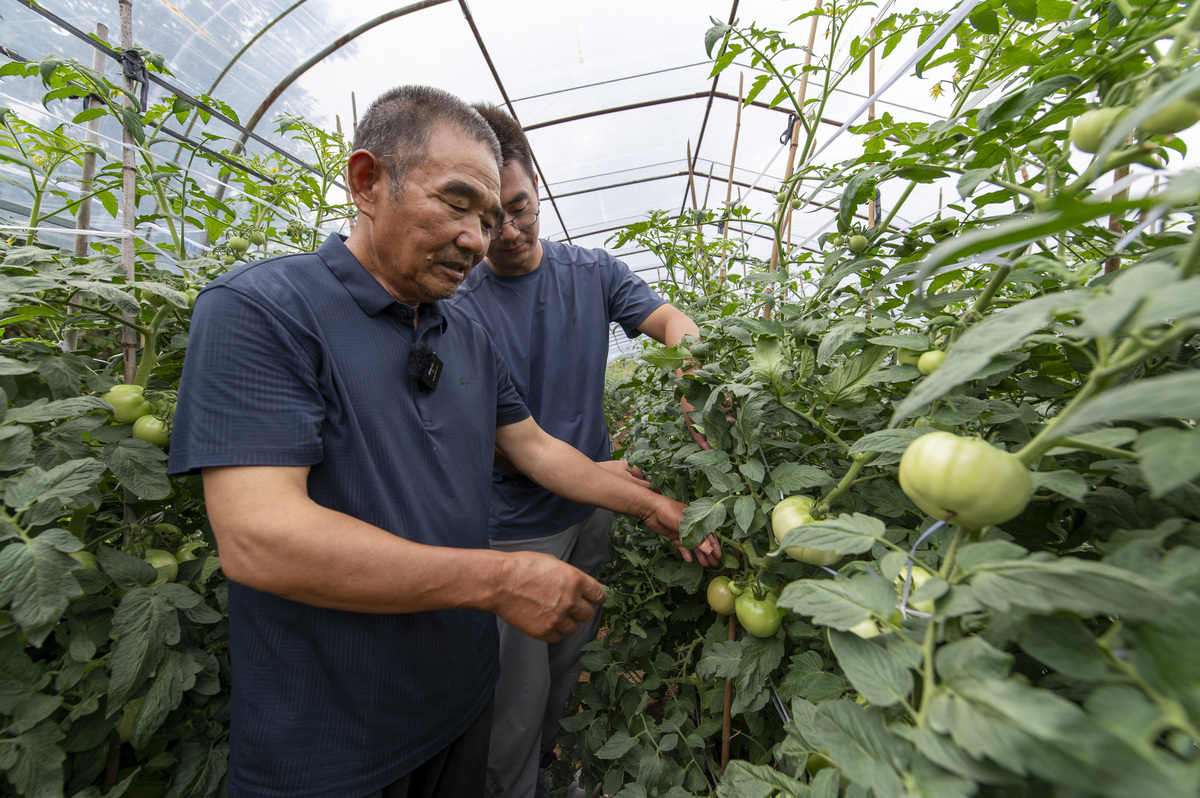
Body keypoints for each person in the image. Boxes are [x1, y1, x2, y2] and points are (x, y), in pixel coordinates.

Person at [167, 85, 703, 798]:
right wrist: (502, 578)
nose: (481, 240)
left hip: (459, 703)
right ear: (366, 182)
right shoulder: (263, 310)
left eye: (493, 216)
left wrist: (657, 507)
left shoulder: (466, 332)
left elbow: (539, 450)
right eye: (459, 205)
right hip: (332, 740)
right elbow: (260, 537)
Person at [449, 103, 716, 798]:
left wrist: (693, 363)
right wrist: (607, 476)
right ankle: (511, 786)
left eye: (520, 208)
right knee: (515, 697)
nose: (507, 231)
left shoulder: (591, 272)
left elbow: (670, 320)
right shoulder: (459, 304)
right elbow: (488, 442)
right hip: (514, 528)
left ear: (538, 186)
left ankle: (547, 775)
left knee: (568, 665)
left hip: (590, 514)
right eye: (488, 217)